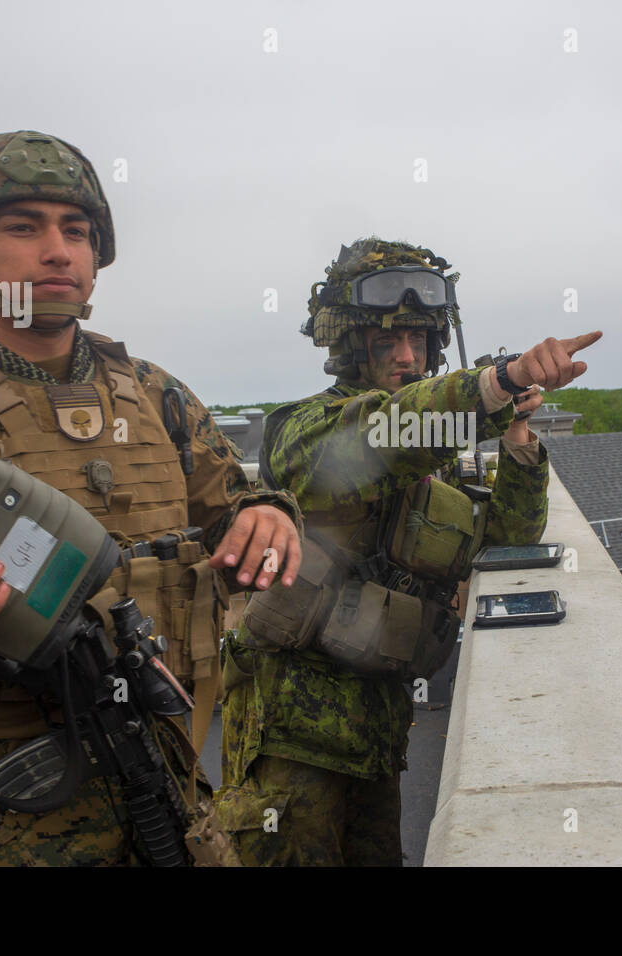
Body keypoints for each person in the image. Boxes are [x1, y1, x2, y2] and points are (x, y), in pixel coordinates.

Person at [0, 130, 302, 866]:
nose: (59, 251)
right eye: (23, 227)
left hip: (167, 788)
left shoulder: (157, 394)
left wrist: (268, 515)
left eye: (77, 231)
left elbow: (238, 503)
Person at [216, 237, 600, 865]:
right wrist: (498, 383)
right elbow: (386, 432)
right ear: (350, 346)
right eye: (388, 343)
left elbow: (508, 539)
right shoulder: (307, 429)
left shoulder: (435, 451)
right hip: (291, 734)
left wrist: (521, 440)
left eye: (419, 342)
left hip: (377, 727)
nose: (407, 356)